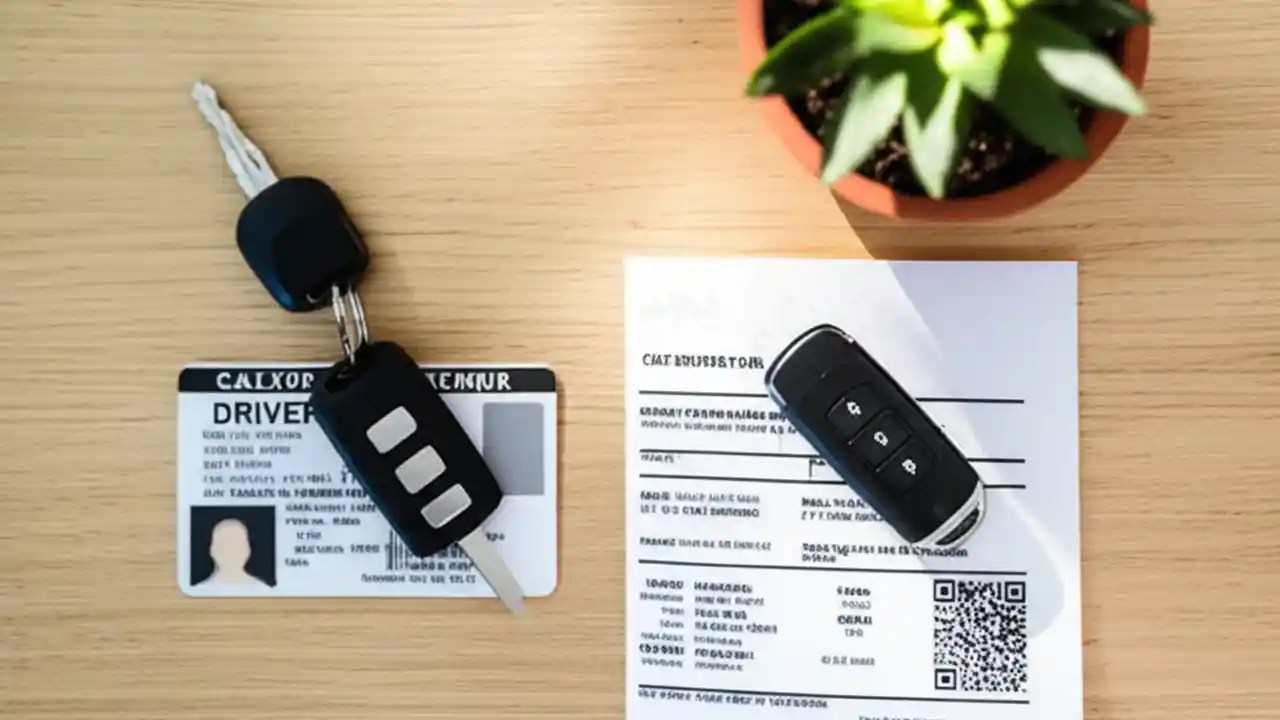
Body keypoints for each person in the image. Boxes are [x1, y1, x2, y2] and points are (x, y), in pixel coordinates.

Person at [196, 518, 271, 588]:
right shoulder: (199, 592)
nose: (232, 551)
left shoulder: (263, 590)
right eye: (226, 544)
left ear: (247, 549)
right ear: (213, 550)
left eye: (238, 544)